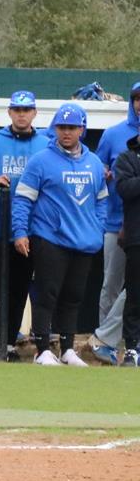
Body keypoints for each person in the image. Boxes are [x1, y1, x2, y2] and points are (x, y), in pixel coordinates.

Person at [12, 103, 108, 367]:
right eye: (61, 127)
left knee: (73, 296)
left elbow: (102, 201)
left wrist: (97, 228)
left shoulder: (94, 162)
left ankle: (67, 349)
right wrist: (20, 231)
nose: (66, 132)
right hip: (50, 238)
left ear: (82, 129)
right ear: (55, 128)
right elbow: (22, 199)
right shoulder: (41, 160)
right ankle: (42, 350)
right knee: (47, 294)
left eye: (72, 127)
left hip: (83, 241)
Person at [0, 91, 44, 362]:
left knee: (19, 289)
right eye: (17, 109)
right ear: (9, 112)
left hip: (30, 232)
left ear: (34, 113)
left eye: (26, 110)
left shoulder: (44, 144)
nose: (21, 114)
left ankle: (10, 343)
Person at [87, 81, 140, 364]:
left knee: (134, 286)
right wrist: (106, 173)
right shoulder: (113, 135)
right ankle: (105, 346)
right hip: (115, 221)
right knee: (111, 285)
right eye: (137, 99)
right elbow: (95, 171)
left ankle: (109, 338)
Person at [112, 133, 140, 368]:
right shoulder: (127, 158)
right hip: (137, 238)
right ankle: (131, 348)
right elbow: (125, 188)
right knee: (135, 295)